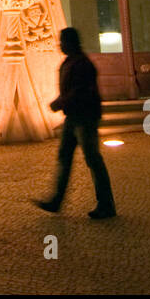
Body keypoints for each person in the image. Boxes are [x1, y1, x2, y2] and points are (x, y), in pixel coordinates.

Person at [35, 27, 116, 220]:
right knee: (66, 157)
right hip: (73, 117)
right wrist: (62, 101)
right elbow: (71, 90)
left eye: (62, 41)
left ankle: (106, 204)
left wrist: (60, 102)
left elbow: (79, 91)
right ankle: (57, 200)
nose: (59, 45)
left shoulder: (81, 64)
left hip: (84, 117)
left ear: (70, 42)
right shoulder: (71, 62)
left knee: (92, 159)